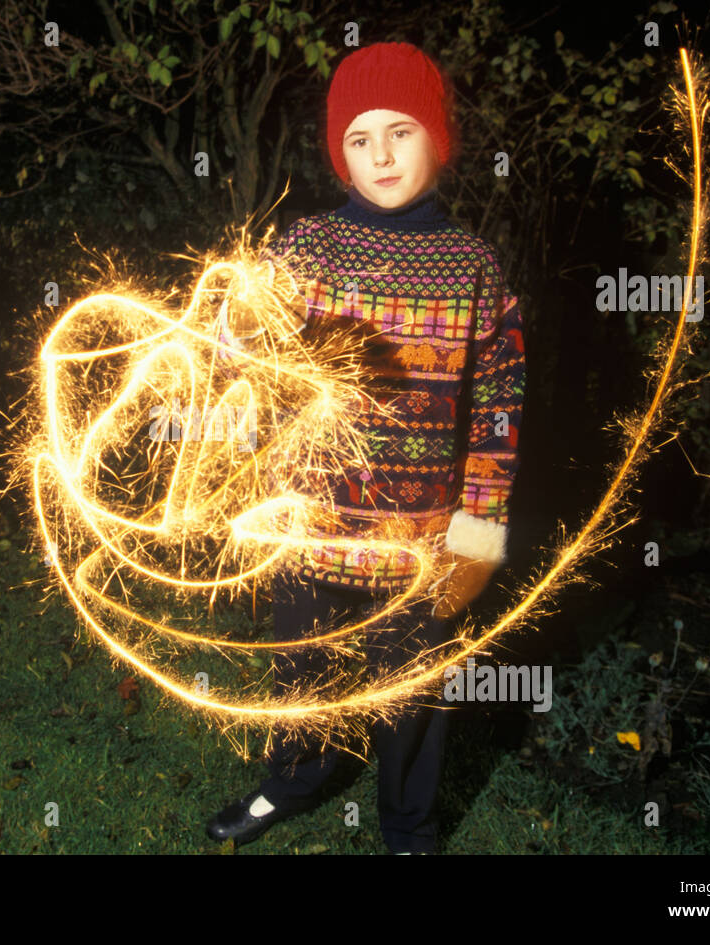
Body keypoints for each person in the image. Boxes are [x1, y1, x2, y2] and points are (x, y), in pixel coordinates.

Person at [205, 42, 526, 853]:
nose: (379, 154)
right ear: (337, 152)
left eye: (401, 131)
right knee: (300, 675)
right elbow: (247, 368)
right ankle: (295, 777)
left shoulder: (473, 269)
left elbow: (500, 405)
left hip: (415, 543)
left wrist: (478, 529)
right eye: (359, 137)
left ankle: (408, 824)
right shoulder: (306, 249)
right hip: (311, 523)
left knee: (410, 695)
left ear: (438, 141)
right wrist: (235, 326)